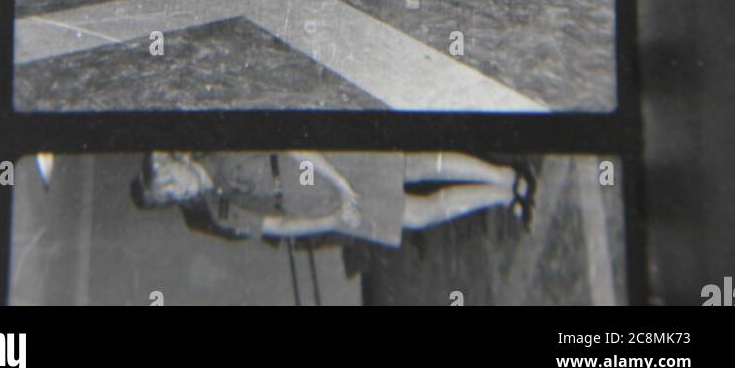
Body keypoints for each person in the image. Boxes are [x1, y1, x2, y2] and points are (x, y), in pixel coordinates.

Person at [130, 151, 535, 248]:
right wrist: (333, 217)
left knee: (417, 166)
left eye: (169, 177)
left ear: (177, 157)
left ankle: (507, 175)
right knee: (418, 215)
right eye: (167, 194)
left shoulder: (219, 144)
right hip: (319, 208)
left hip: (325, 163)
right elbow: (277, 226)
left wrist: (339, 181)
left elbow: (289, 144)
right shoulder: (217, 212)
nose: (176, 189)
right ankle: (501, 197)